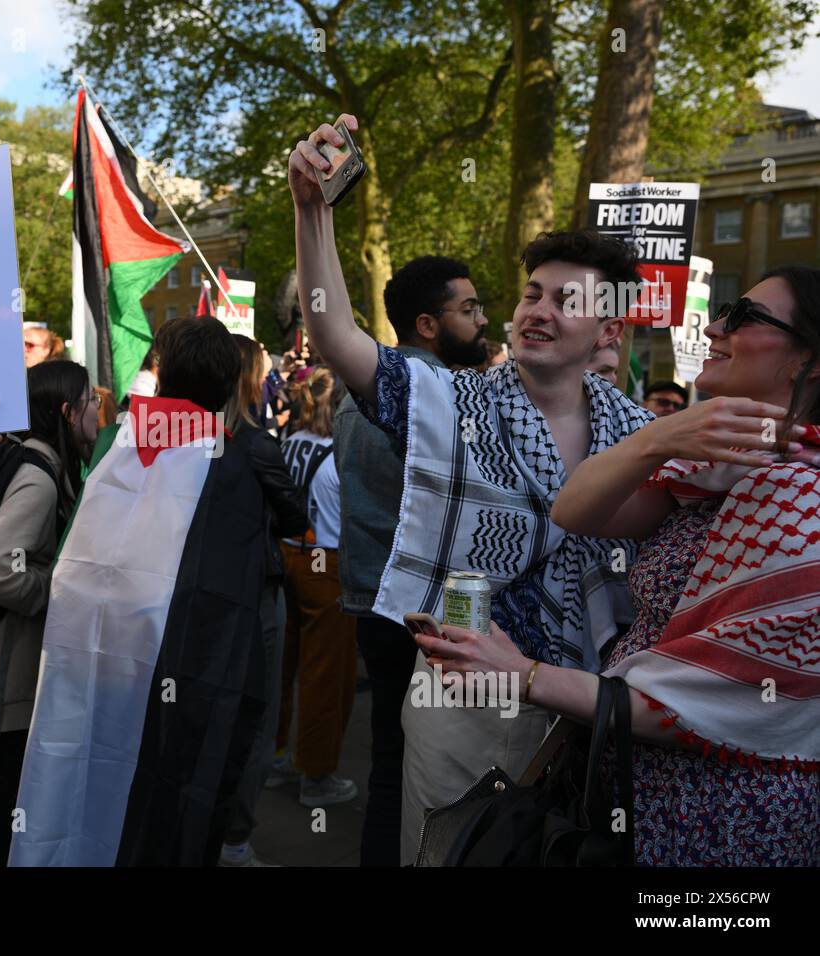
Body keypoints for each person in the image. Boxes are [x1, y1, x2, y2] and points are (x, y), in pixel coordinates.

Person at [289, 114, 654, 862]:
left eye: (567, 302)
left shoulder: (639, 432)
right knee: (451, 851)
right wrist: (311, 212)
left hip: (577, 696)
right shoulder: (450, 398)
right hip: (462, 698)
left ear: (610, 334)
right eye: (530, 293)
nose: (537, 311)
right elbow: (336, 337)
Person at [428, 268, 820, 865]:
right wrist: (656, 439)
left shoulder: (804, 496)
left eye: (743, 317)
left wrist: (523, 675)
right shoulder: (726, 465)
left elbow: (705, 702)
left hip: (718, 818)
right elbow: (577, 509)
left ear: (808, 362)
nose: (715, 326)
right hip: (636, 793)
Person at [10, 316, 268, 866]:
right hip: (170, 668)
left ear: (162, 371)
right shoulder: (232, 463)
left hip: (89, 656)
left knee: (76, 766)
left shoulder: (116, 439)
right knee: (156, 795)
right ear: (229, 382)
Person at [332, 254, 489, 866]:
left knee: (392, 764)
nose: (482, 320)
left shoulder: (369, 389)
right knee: (436, 766)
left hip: (376, 601)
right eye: (469, 308)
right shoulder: (432, 395)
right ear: (427, 323)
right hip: (421, 612)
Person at [0, 360, 94, 866]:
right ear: (67, 411)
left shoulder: (41, 461)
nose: (100, 411)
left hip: (14, 676)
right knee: (5, 823)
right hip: (12, 681)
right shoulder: (39, 477)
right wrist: (53, 586)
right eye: (92, 403)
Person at [219, 334, 308, 866]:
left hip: (208, 591)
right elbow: (296, 518)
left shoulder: (183, 435)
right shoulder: (255, 442)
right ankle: (235, 841)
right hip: (254, 592)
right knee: (255, 714)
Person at [274, 367, 361, 809]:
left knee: (282, 664)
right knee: (327, 674)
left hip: (285, 556)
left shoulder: (290, 443)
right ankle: (316, 774)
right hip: (324, 563)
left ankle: (275, 757)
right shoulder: (339, 454)